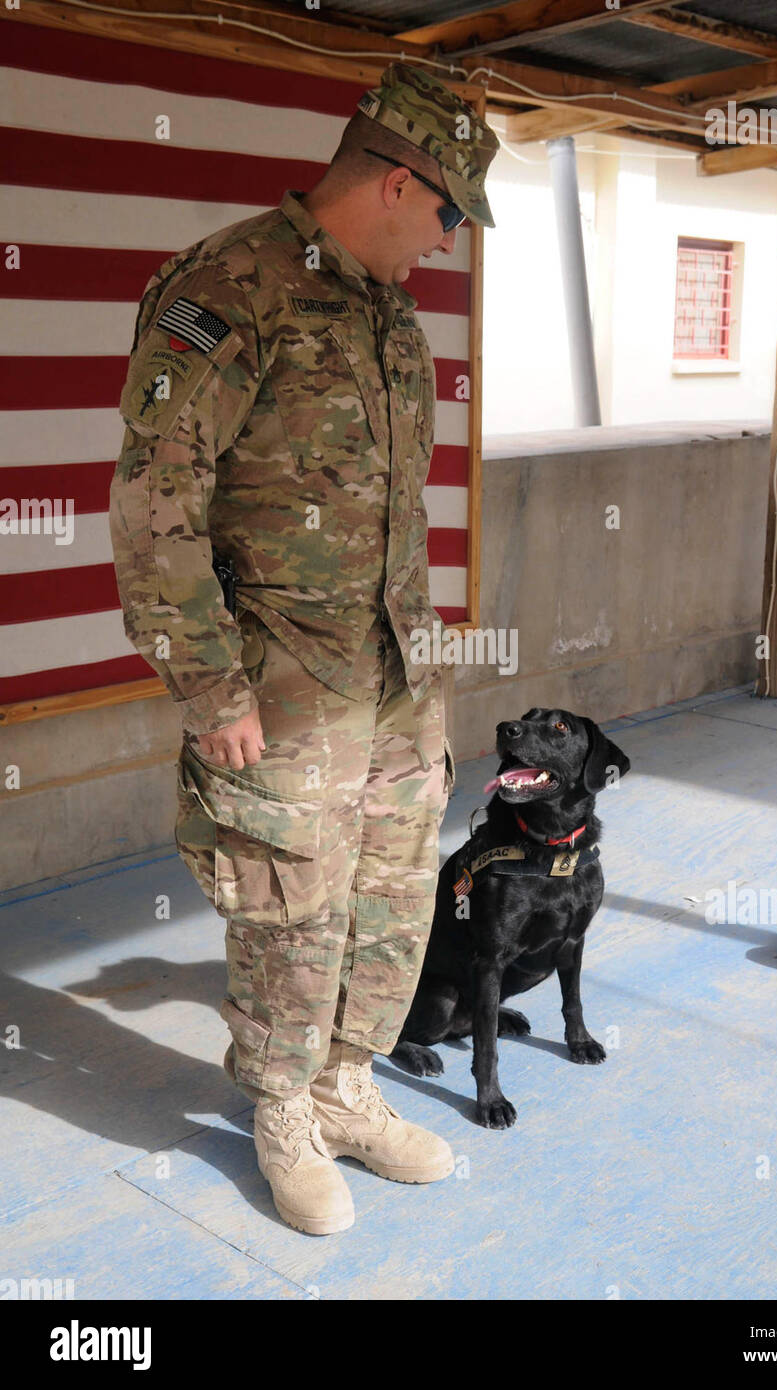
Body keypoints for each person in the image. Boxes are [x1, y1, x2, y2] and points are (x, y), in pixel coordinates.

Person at [109, 62, 499, 1236]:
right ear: (396, 182)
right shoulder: (224, 290)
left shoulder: (391, 315)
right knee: (289, 904)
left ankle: (344, 1087)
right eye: (448, 213)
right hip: (277, 685)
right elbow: (155, 504)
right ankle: (280, 1108)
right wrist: (209, 684)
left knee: (389, 895)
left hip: (394, 685)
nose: (449, 241)